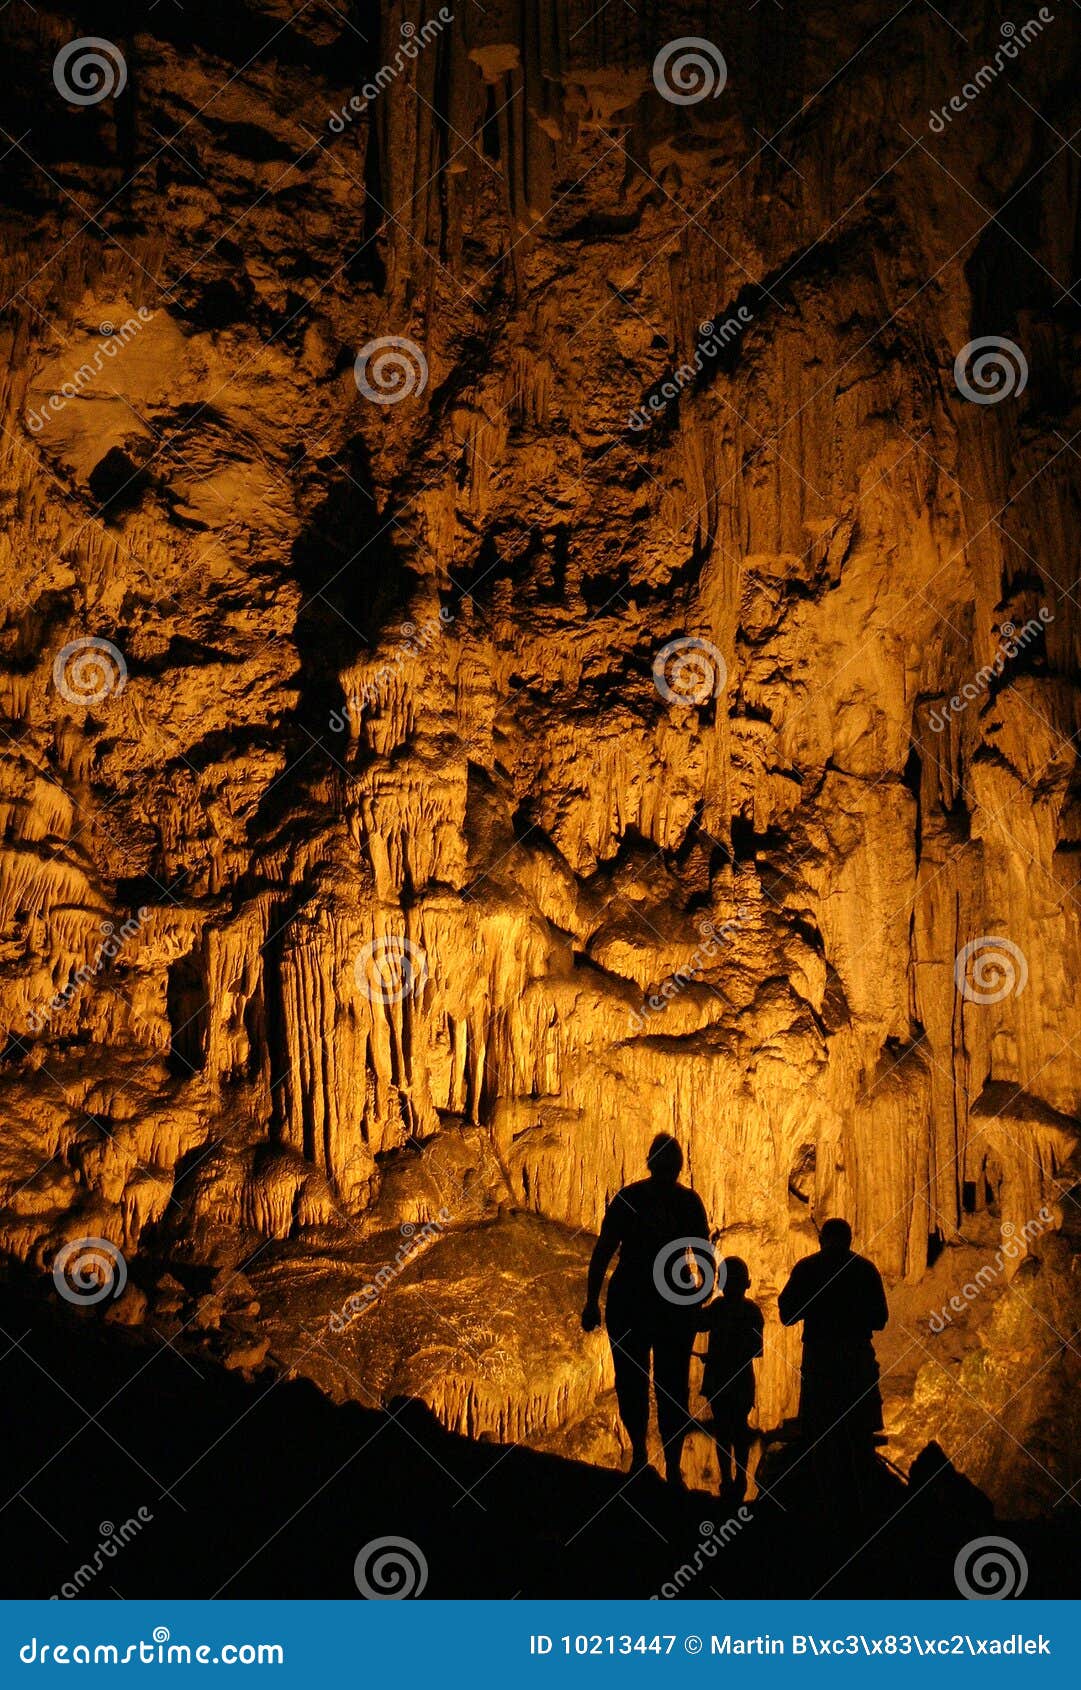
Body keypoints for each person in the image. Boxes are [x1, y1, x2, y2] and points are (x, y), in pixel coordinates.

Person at [581, 1134, 713, 1486]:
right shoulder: (687, 1202)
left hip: (632, 1296)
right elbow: (703, 1255)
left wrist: (592, 1299)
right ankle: (670, 1463)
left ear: (649, 1162)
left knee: (632, 1380)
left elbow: (604, 1249)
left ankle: (640, 1454)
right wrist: (699, 1297)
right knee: (672, 1384)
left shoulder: (630, 1197)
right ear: (678, 1165)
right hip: (673, 1298)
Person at [778, 1218, 888, 1449]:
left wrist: (817, 1305)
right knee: (857, 1436)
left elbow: (787, 1314)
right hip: (855, 1363)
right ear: (850, 1241)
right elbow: (880, 1319)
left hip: (821, 1363)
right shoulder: (865, 1270)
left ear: (820, 1241)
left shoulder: (808, 1268)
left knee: (819, 1435)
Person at [697, 1256, 764, 1502]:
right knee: (737, 1429)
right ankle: (737, 1477)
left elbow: (699, 1323)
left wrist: (718, 1356)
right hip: (740, 1379)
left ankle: (729, 1478)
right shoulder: (751, 1311)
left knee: (725, 1429)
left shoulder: (720, 1308)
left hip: (721, 1377)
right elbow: (756, 1347)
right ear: (747, 1283)